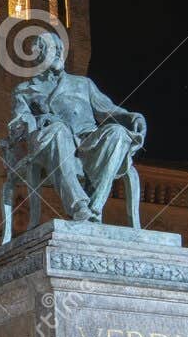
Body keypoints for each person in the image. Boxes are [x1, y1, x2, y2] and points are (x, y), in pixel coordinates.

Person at [8, 31, 146, 223]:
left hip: (88, 142)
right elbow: (19, 122)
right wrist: (39, 122)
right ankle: (79, 206)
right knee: (58, 130)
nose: (57, 53)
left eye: (59, 49)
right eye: (50, 49)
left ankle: (95, 207)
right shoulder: (25, 90)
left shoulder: (83, 84)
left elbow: (110, 111)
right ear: (38, 54)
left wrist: (133, 118)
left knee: (118, 133)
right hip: (50, 142)